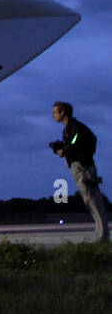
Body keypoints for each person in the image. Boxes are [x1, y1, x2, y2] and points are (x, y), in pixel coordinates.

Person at [51, 102, 109, 243]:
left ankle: (102, 236)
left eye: (55, 112)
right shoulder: (69, 129)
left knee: (92, 199)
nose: (53, 115)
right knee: (89, 200)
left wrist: (66, 151)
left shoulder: (74, 128)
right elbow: (76, 141)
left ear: (62, 112)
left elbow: (78, 141)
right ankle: (101, 234)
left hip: (83, 167)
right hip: (80, 166)